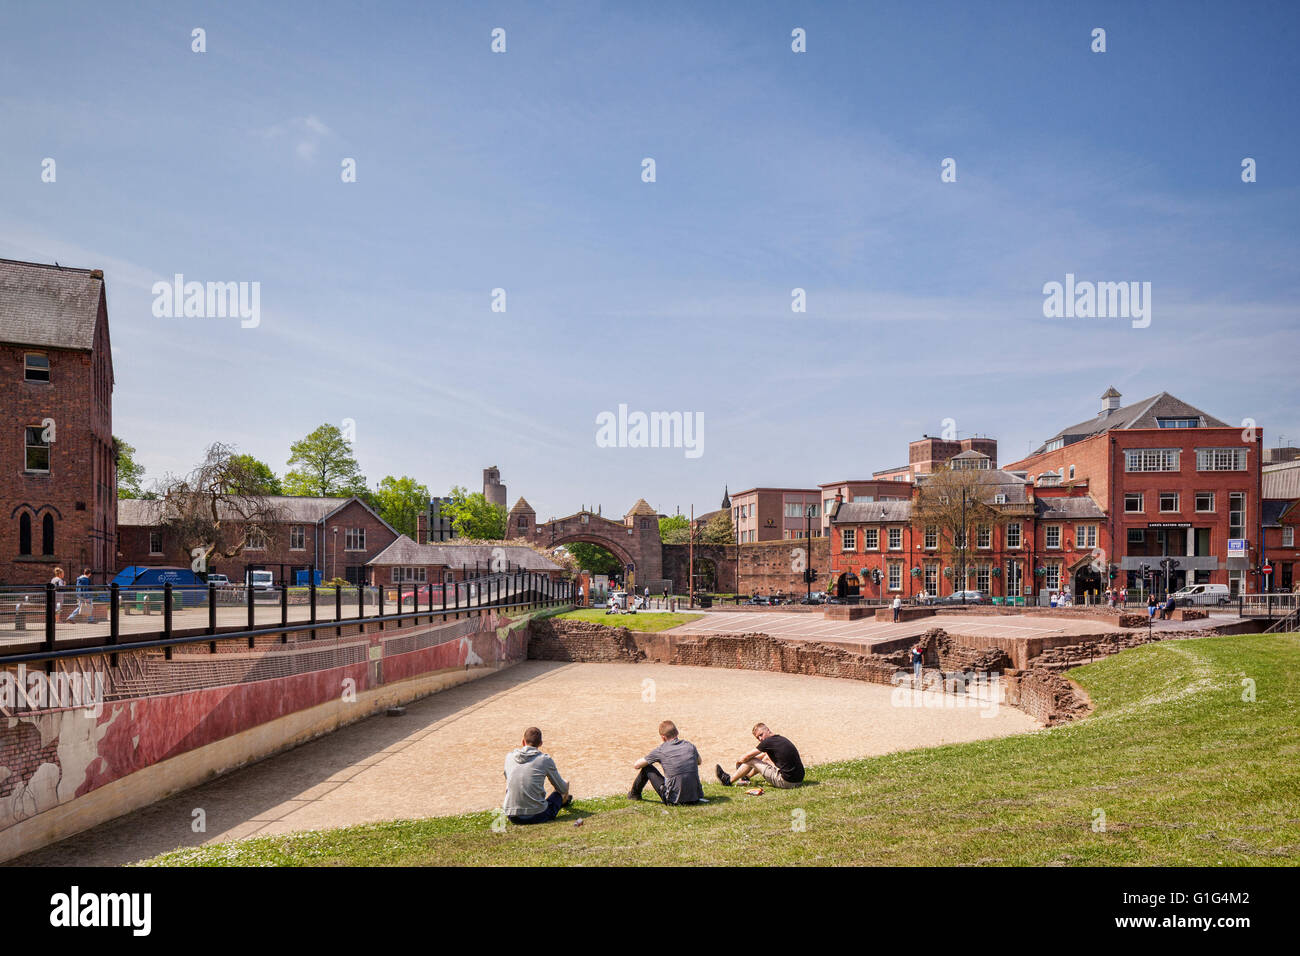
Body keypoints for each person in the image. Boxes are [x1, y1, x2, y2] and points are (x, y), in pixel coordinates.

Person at [503, 726, 572, 825]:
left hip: (513, 816)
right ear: (540, 744)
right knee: (565, 784)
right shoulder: (544, 759)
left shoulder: (509, 757)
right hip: (537, 816)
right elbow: (562, 788)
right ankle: (564, 803)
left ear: (523, 742)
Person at [629, 720, 707, 805]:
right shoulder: (690, 746)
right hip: (695, 798)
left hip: (673, 800)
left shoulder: (661, 750)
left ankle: (634, 795)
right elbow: (699, 762)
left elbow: (637, 765)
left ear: (663, 737)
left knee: (647, 768)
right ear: (677, 732)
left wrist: (653, 758)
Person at [716, 723, 805, 789]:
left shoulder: (768, 742)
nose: (760, 739)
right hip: (798, 780)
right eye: (757, 738)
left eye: (761, 735)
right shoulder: (779, 739)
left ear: (768, 730)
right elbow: (765, 756)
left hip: (787, 782)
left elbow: (746, 757)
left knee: (751, 760)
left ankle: (728, 781)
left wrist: (739, 762)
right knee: (764, 758)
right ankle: (746, 777)